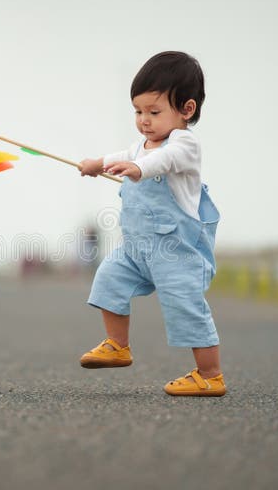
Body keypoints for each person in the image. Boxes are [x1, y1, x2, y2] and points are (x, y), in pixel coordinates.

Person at [78, 51, 225, 396]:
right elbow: (124, 156)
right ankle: (118, 345)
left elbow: (164, 160)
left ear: (186, 110)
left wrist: (140, 169)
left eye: (154, 112)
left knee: (185, 307)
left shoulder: (184, 144)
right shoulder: (141, 146)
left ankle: (210, 374)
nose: (144, 120)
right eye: (138, 111)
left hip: (176, 251)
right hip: (138, 249)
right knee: (108, 277)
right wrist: (97, 163)